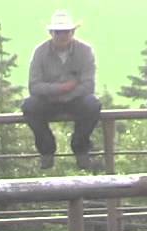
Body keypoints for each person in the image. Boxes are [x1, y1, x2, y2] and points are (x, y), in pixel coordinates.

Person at [22, 10, 101, 171]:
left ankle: (80, 148)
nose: (62, 35)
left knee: (93, 104)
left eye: (66, 31)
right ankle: (46, 151)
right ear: (51, 33)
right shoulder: (40, 52)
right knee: (29, 106)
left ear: (73, 32)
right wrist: (60, 89)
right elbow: (34, 86)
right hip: (48, 101)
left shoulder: (86, 51)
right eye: (58, 32)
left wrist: (64, 93)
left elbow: (89, 85)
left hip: (75, 100)